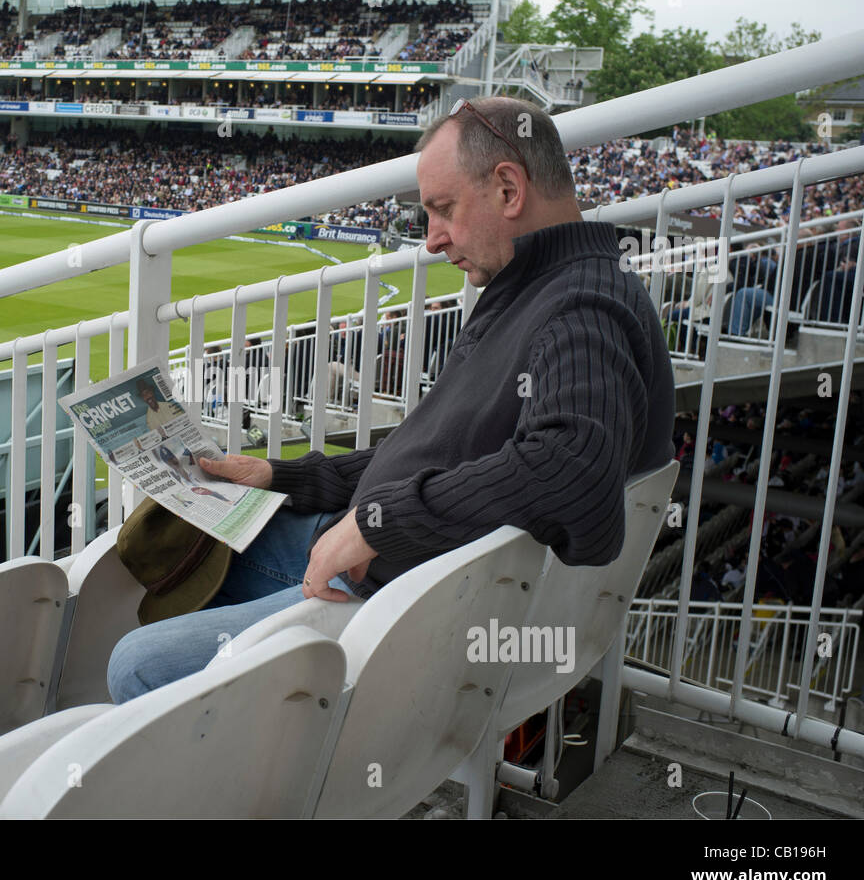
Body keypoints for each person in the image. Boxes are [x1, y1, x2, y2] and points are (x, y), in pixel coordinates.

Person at [107, 96, 677, 703]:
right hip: (394, 559)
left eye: (443, 209)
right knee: (168, 541)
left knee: (136, 664)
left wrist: (382, 522)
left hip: (399, 597)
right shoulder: (540, 287)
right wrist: (282, 475)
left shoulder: (580, 308)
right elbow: (440, 457)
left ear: (509, 189)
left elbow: (573, 473)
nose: (432, 240)